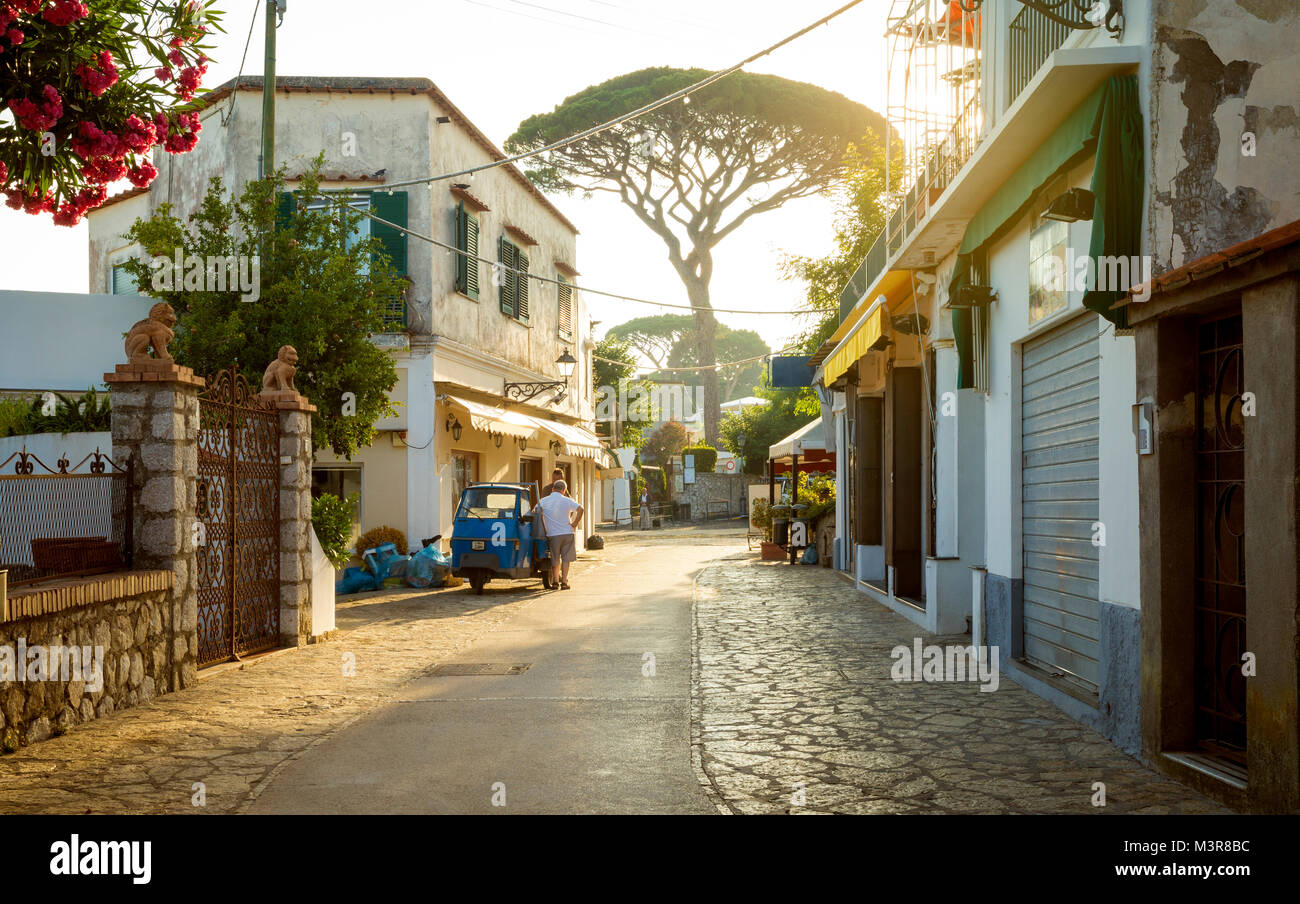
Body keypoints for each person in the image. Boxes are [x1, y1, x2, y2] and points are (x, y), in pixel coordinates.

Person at [535, 479, 583, 589]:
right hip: (567, 532)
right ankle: (564, 582)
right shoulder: (567, 500)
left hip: (552, 534)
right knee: (566, 559)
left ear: (552, 489)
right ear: (564, 490)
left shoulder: (543, 500)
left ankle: (555, 582)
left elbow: (535, 512)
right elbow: (581, 509)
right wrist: (575, 523)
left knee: (555, 558)